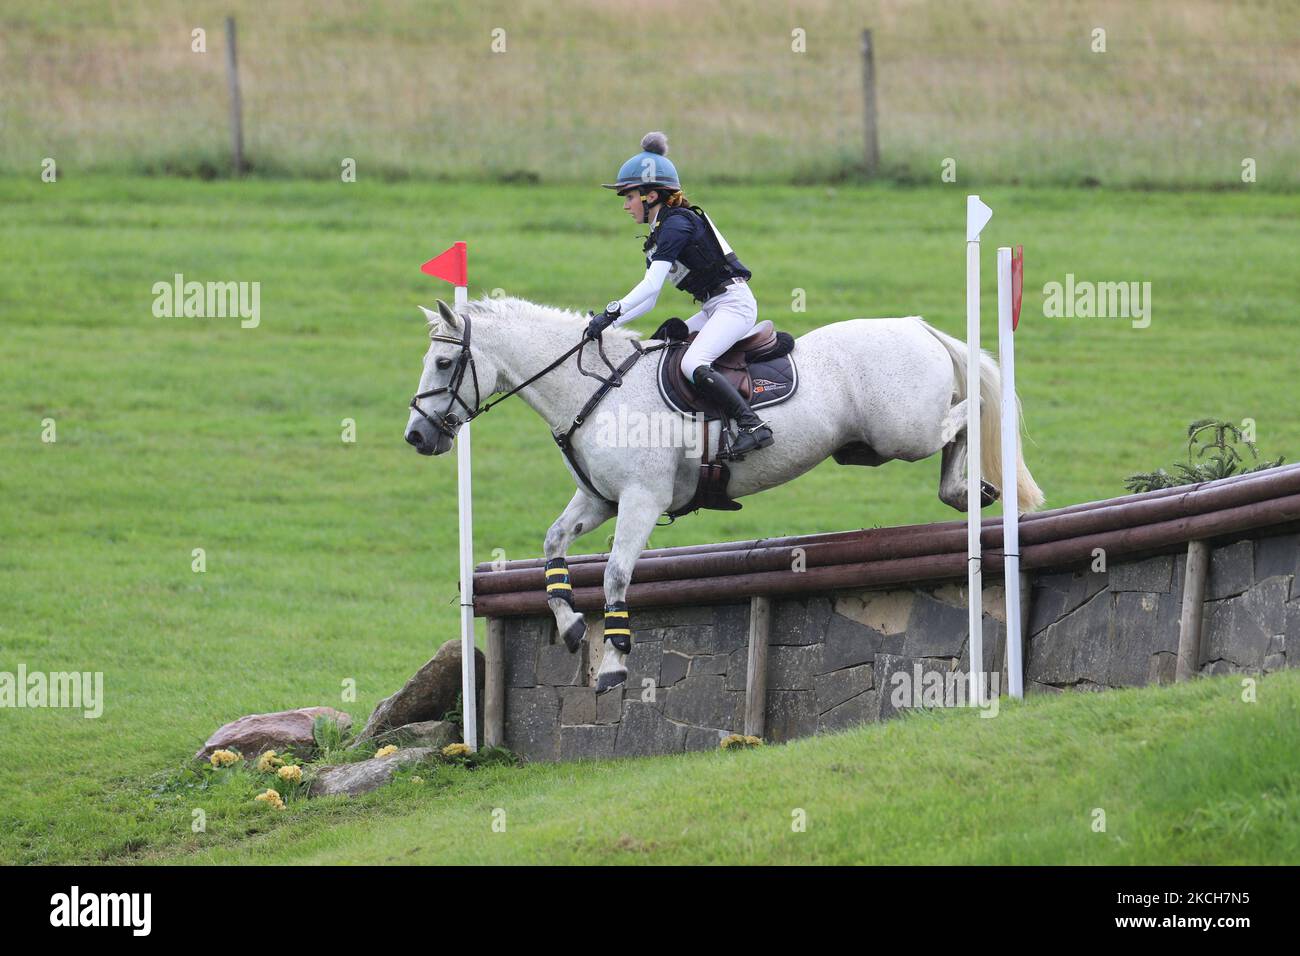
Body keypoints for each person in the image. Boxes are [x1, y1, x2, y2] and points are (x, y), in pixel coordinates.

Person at [584, 132, 773, 459]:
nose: (625, 206)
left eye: (628, 197)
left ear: (651, 195)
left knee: (692, 362)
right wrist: (605, 325)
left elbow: (651, 286)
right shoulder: (659, 233)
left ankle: (751, 424)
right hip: (716, 306)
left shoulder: (677, 225)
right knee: (661, 348)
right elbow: (650, 300)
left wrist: (610, 313)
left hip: (734, 305)